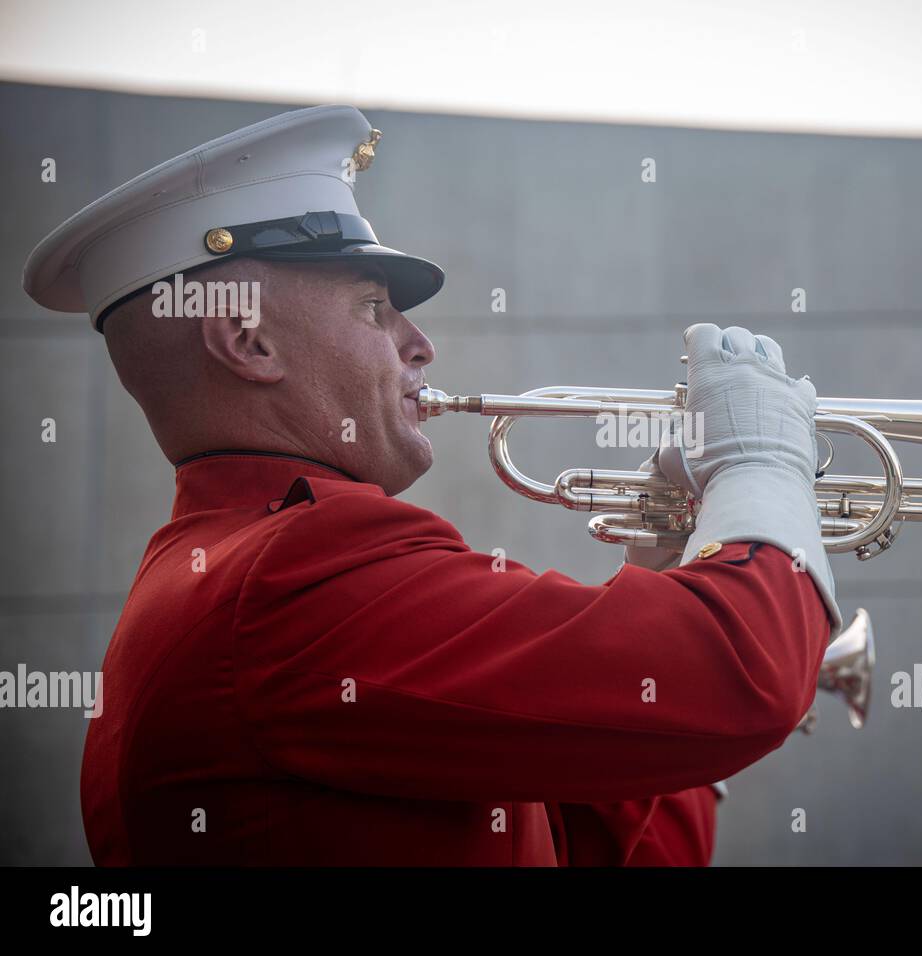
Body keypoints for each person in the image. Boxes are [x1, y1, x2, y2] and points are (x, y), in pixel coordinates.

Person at [22, 105, 840, 865]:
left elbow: (607, 848)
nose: (420, 346)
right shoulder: (295, 571)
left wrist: (663, 564)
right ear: (249, 340)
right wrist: (763, 464)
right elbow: (747, 676)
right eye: (376, 309)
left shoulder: (219, 568)